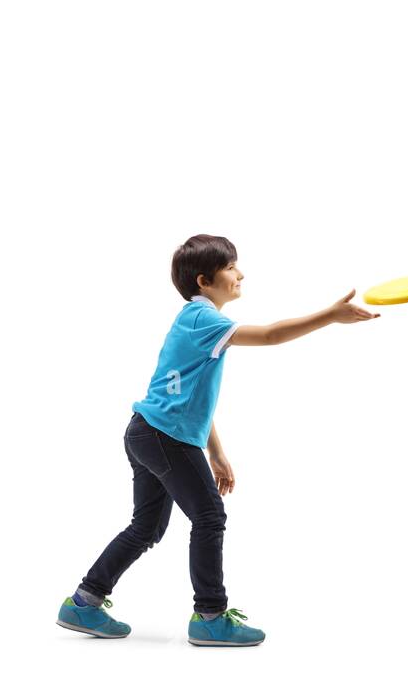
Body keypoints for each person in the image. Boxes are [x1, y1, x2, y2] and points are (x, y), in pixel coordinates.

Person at [56, 234, 380, 646]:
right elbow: (270, 336)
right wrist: (329, 316)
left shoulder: (193, 322)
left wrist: (217, 452)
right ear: (205, 280)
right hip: (163, 436)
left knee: (147, 528)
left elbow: (187, 400)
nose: (240, 273)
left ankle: (83, 602)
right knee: (209, 517)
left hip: (148, 431)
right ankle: (210, 615)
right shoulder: (205, 320)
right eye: (231, 267)